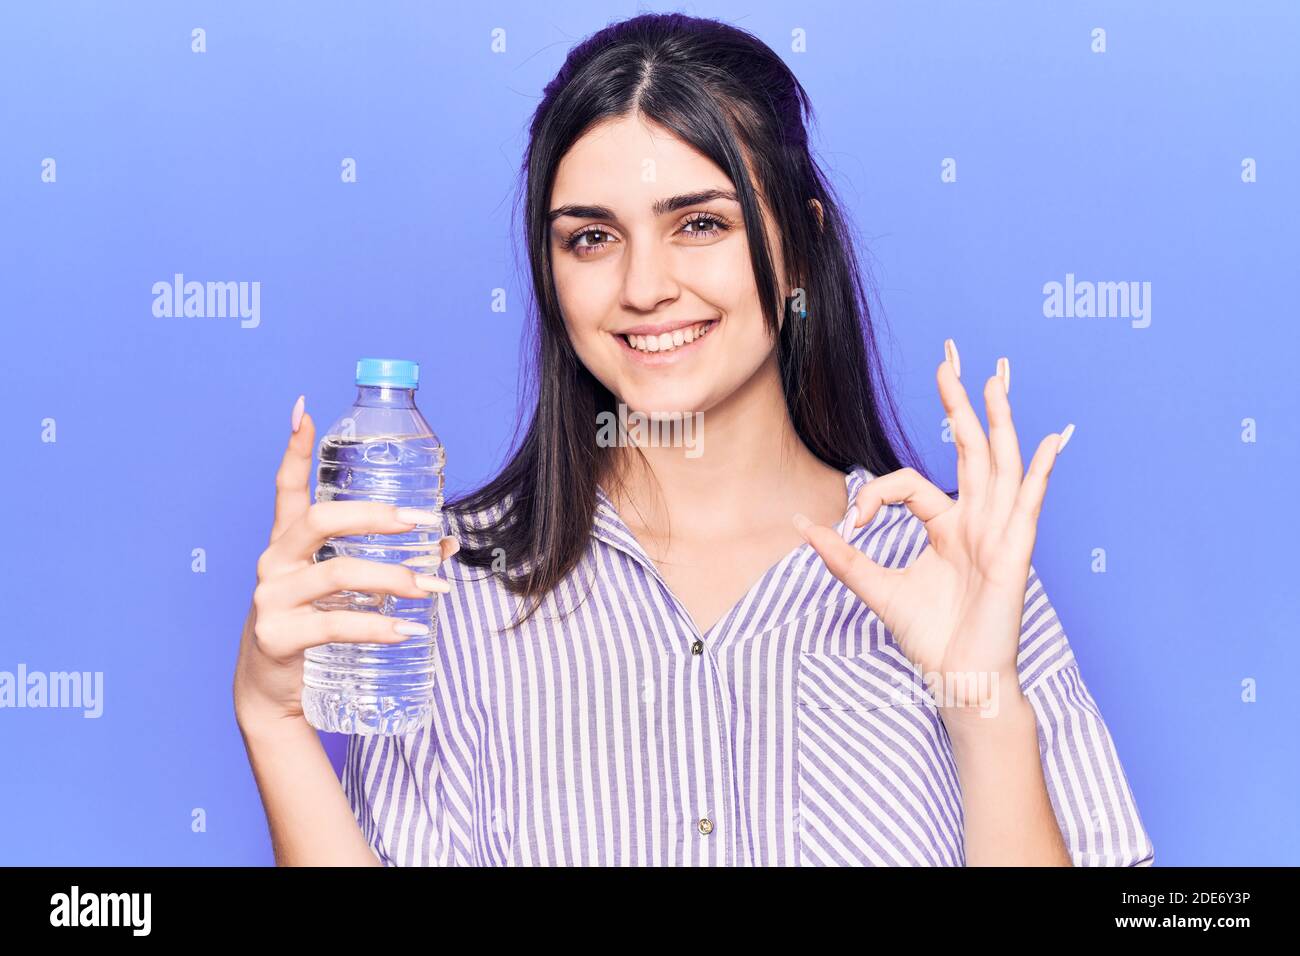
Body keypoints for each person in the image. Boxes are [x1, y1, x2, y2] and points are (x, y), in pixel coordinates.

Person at [234, 12, 1154, 866]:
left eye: (700, 224)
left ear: (799, 241)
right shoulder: (446, 590)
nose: (645, 287)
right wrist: (272, 721)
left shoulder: (955, 572)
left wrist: (982, 703)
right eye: (591, 239)